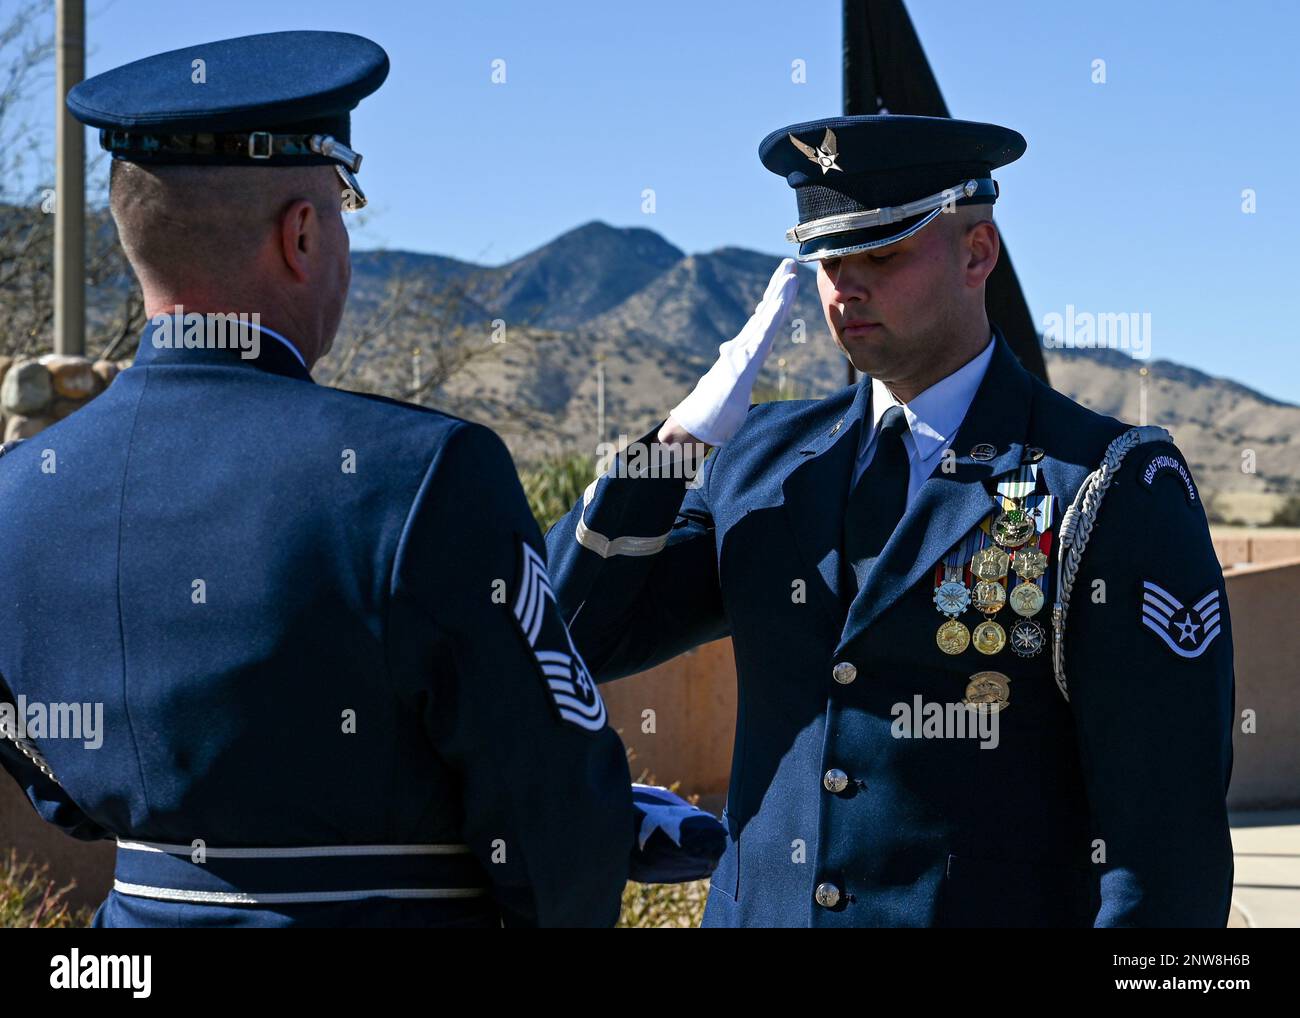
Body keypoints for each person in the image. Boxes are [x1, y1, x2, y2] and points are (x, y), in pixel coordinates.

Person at [0, 30, 631, 928]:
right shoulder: (421, 474)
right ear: (300, 233)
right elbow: (552, 814)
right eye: (341, 213)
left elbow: (53, 783)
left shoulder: (15, 493)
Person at [545, 114, 1235, 927]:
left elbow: (1163, 843)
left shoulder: (1102, 481)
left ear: (978, 253)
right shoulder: (762, 461)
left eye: (883, 252)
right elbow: (575, 633)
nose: (846, 286)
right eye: (829, 258)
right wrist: (675, 449)